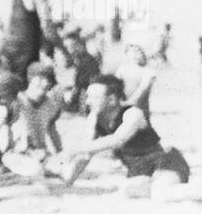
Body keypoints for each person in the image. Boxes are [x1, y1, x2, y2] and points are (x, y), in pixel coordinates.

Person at [57, 75, 190, 189]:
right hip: (139, 169)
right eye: (88, 97)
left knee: (162, 192)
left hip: (167, 162)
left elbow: (117, 140)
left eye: (94, 97)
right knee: (133, 190)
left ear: (112, 100)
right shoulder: (95, 118)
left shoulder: (133, 114)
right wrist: (68, 181)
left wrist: (75, 148)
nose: (87, 102)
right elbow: (86, 154)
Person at [12, 61, 65, 157]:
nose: (45, 83)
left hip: (40, 153)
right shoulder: (17, 101)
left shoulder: (51, 104)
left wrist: (61, 155)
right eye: (40, 79)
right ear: (30, 79)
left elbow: (52, 132)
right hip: (17, 154)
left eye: (48, 79)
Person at [60, 30, 100, 113]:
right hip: (83, 91)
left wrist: (72, 92)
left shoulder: (86, 60)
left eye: (70, 46)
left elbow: (84, 83)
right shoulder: (79, 59)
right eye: (66, 47)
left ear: (78, 45)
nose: (68, 50)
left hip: (87, 94)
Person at [119, 44, 156, 117]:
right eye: (134, 51)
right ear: (127, 54)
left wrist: (126, 103)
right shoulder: (122, 69)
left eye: (140, 51)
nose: (138, 53)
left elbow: (142, 90)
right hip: (122, 108)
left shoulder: (149, 72)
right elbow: (115, 87)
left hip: (139, 111)